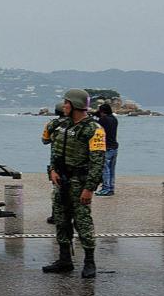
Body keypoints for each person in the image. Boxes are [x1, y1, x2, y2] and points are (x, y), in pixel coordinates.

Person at [42, 89, 106, 279]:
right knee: (61, 221)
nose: (64, 106)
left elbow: (97, 161)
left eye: (67, 103)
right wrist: (52, 170)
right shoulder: (63, 127)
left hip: (80, 182)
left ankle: (89, 262)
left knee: (83, 221)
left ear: (76, 105)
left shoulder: (93, 129)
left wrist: (89, 188)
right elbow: (54, 151)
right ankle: (64, 260)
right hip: (61, 181)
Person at [43, 104, 67, 225]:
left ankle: (55, 215)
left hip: (56, 162)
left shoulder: (51, 124)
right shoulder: (74, 123)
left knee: (56, 189)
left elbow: (44, 140)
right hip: (71, 162)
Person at [94, 103, 119, 196]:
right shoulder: (114, 119)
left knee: (105, 169)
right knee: (111, 169)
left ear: (102, 112)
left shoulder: (103, 119)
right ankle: (111, 187)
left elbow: (96, 126)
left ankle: (106, 188)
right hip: (114, 147)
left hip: (106, 147)